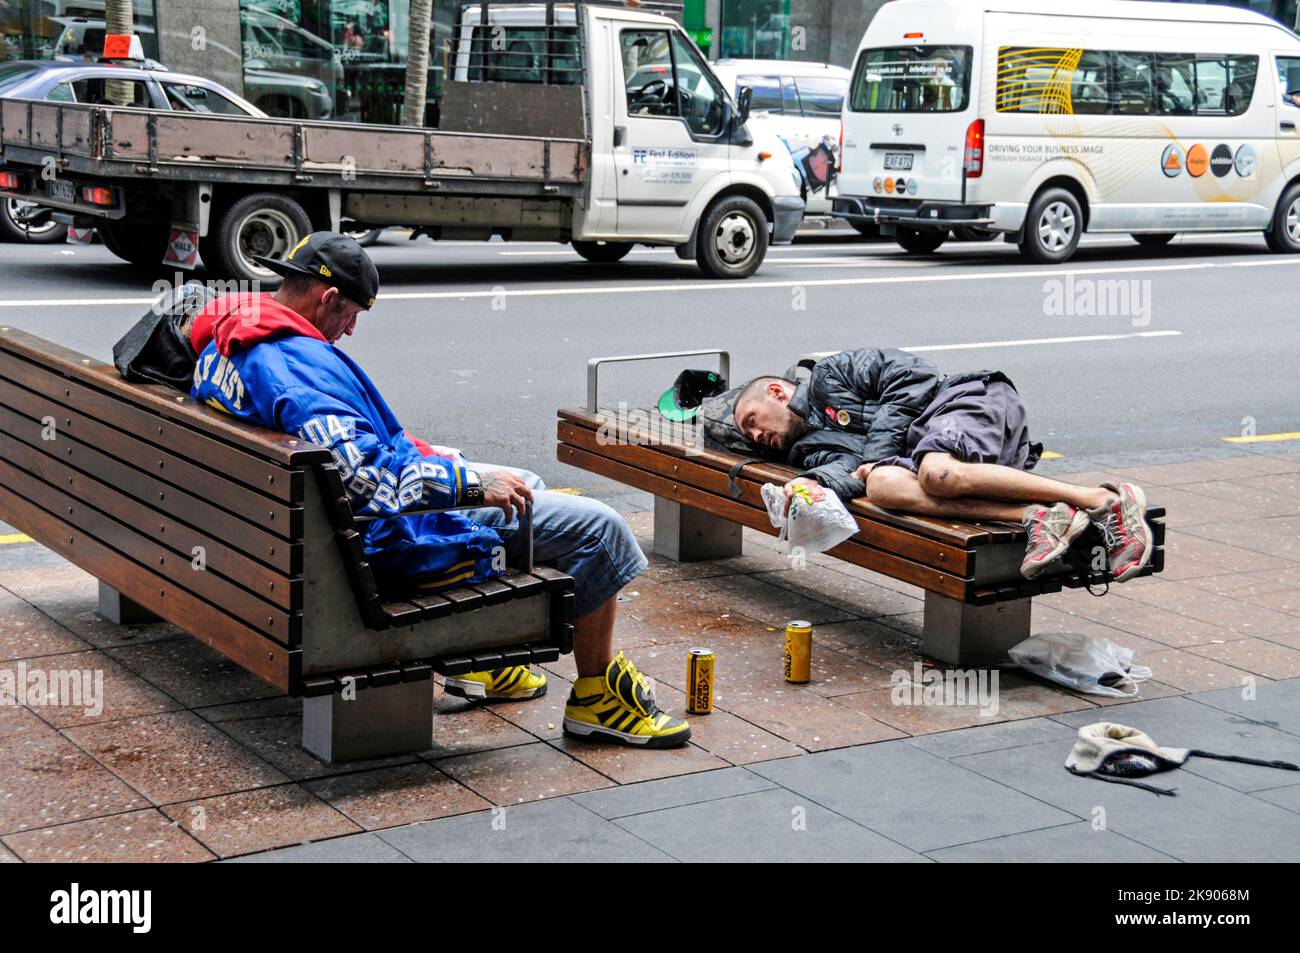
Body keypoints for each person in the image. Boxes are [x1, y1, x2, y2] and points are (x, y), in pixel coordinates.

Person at [187, 231, 689, 748]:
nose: (351, 330)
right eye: (352, 314)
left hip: (291, 534)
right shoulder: (295, 366)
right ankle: (597, 699)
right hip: (373, 548)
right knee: (600, 529)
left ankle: (489, 666)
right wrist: (468, 486)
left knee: (529, 484)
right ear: (328, 298)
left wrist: (452, 467)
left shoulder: (236, 333)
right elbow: (363, 482)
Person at [730, 348, 1153, 582]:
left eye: (753, 421)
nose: (754, 436)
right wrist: (810, 485)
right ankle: (1040, 516)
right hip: (923, 452)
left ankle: (1102, 500)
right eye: (747, 435)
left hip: (961, 403)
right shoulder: (808, 450)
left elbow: (914, 376)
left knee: (936, 473)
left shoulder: (831, 373)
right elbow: (849, 475)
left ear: (777, 393)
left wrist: (875, 455)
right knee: (882, 488)